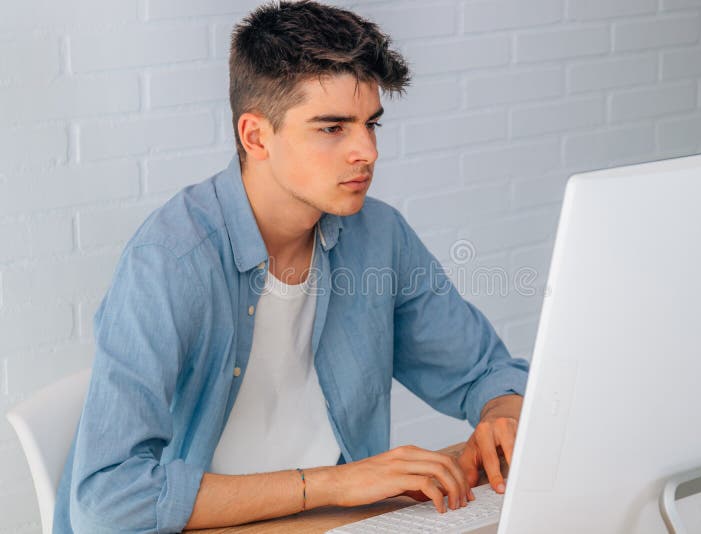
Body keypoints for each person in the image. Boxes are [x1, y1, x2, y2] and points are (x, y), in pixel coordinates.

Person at [53, 1, 530, 532]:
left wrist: (501, 415)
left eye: (371, 124)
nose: (366, 151)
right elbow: (107, 500)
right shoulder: (169, 262)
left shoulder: (379, 236)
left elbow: (485, 373)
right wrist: (336, 483)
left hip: (341, 520)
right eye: (333, 128)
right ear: (256, 136)